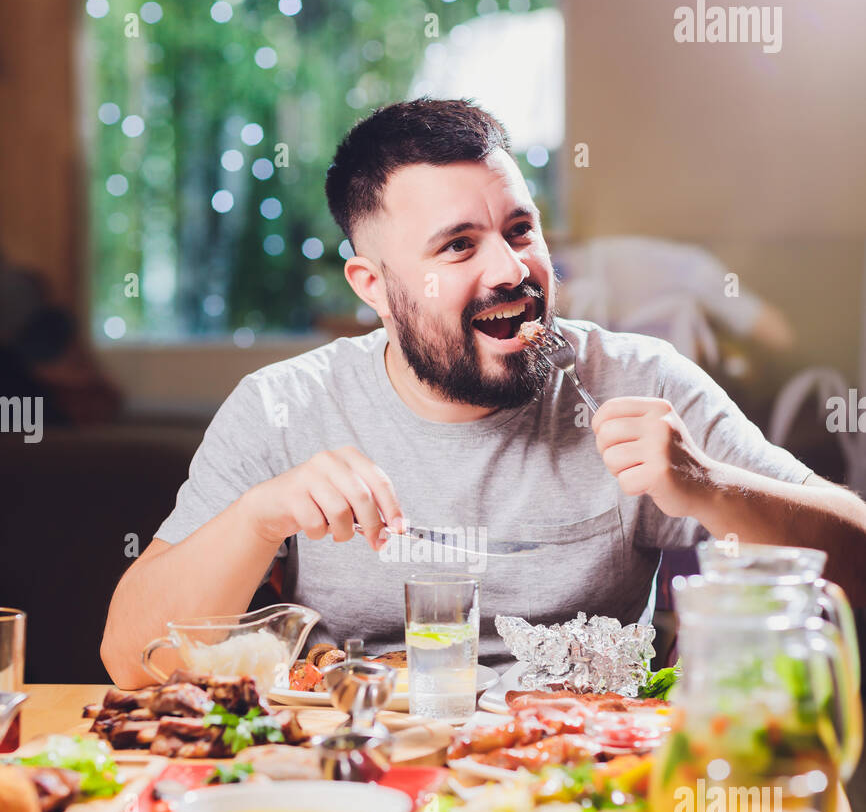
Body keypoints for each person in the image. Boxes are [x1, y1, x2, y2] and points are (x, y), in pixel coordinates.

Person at [101, 98, 866, 688]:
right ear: (375, 286)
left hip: (587, 785)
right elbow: (132, 662)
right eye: (459, 245)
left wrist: (709, 486)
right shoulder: (283, 407)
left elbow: (858, 562)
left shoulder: (639, 378)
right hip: (359, 782)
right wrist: (259, 517)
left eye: (521, 230)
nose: (510, 269)